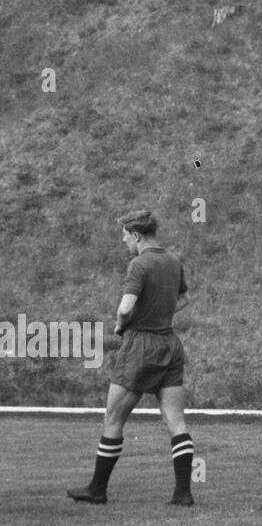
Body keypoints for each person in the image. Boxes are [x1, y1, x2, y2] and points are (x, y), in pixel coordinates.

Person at [68, 209, 195, 507]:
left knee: (113, 418)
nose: (123, 240)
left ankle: (97, 490)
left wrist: (123, 324)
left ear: (137, 235)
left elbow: (126, 307)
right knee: (176, 421)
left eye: (125, 235)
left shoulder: (139, 264)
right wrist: (160, 314)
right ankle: (183, 493)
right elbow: (185, 298)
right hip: (169, 343)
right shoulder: (173, 261)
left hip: (140, 346)